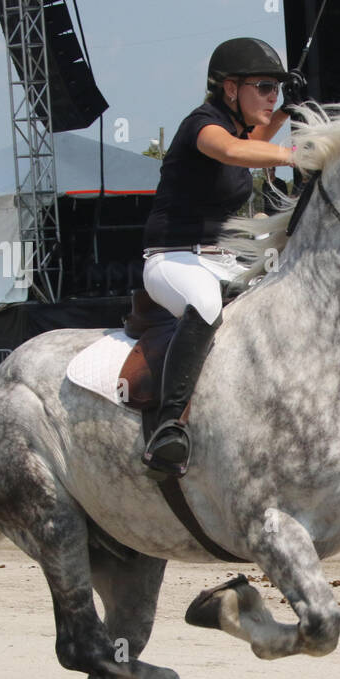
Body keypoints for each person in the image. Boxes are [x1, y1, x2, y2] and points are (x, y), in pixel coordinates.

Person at [139, 37, 302, 476]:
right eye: (266, 87)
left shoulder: (238, 128)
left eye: (278, 89)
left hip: (222, 258)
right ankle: (169, 426)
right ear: (231, 89)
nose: (273, 96)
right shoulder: (202, 125)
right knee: (206, 304)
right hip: (172, 259)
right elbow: (234, 151)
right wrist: (295, 154)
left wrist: (290, 110)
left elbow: (253, 141)